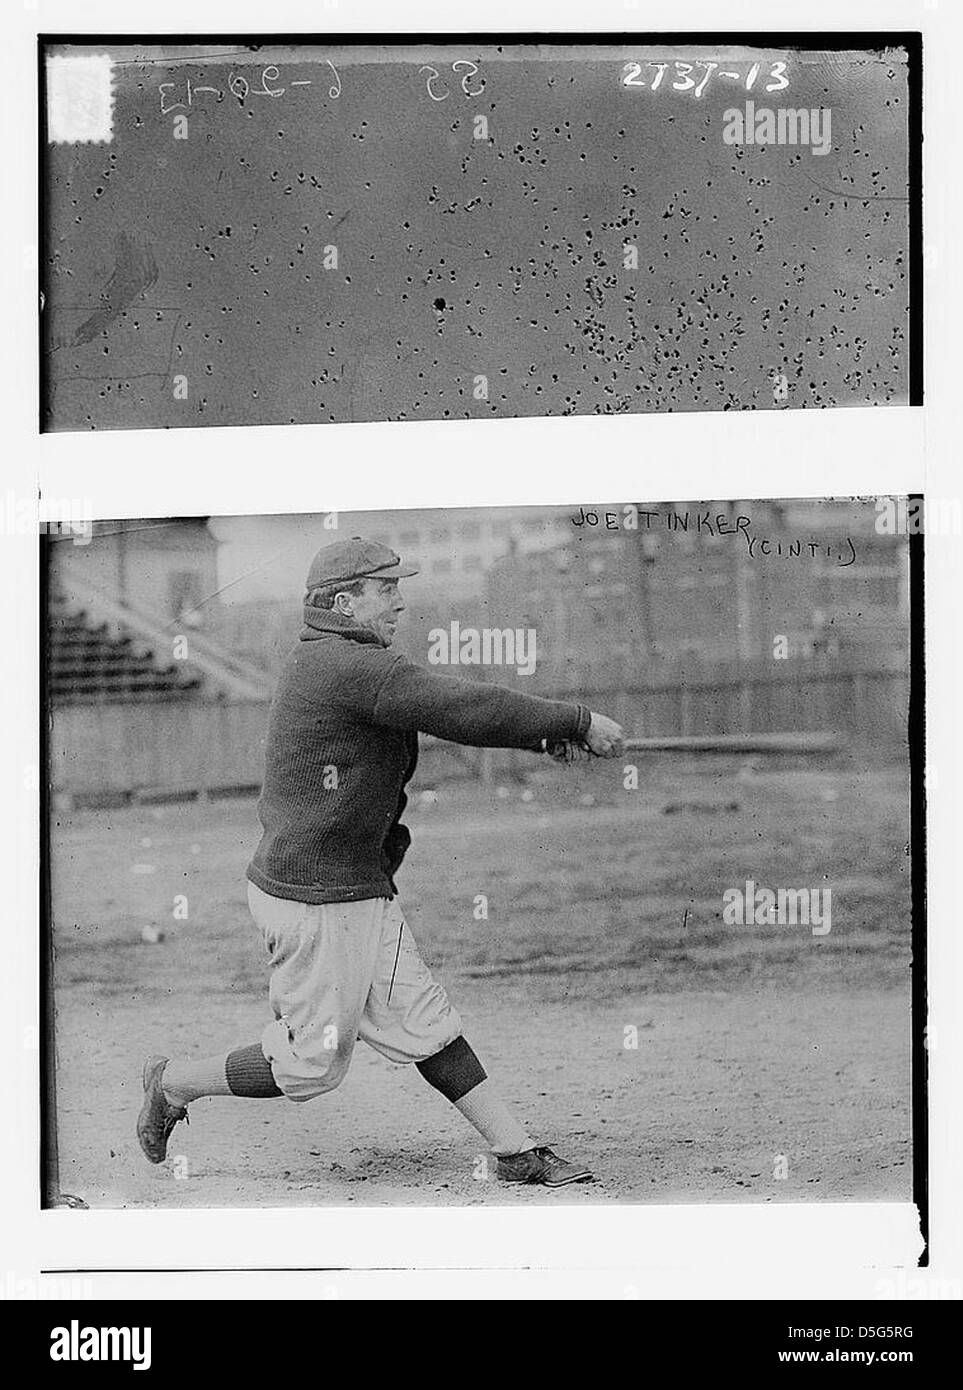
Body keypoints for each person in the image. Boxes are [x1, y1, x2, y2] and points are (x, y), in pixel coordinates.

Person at [137, 537, 624, 1188]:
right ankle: (172, 1083)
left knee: (424, 1021)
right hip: (315, 896)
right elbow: (460, 707)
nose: (399, 601)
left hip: (353, 887)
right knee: (311, 1066)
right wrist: (576, 720)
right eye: (385, 589)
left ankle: (516, 1151)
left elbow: (438, 716)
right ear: (345, 602)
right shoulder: (344, 665)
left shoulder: (344, 661)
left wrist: (545, 738)